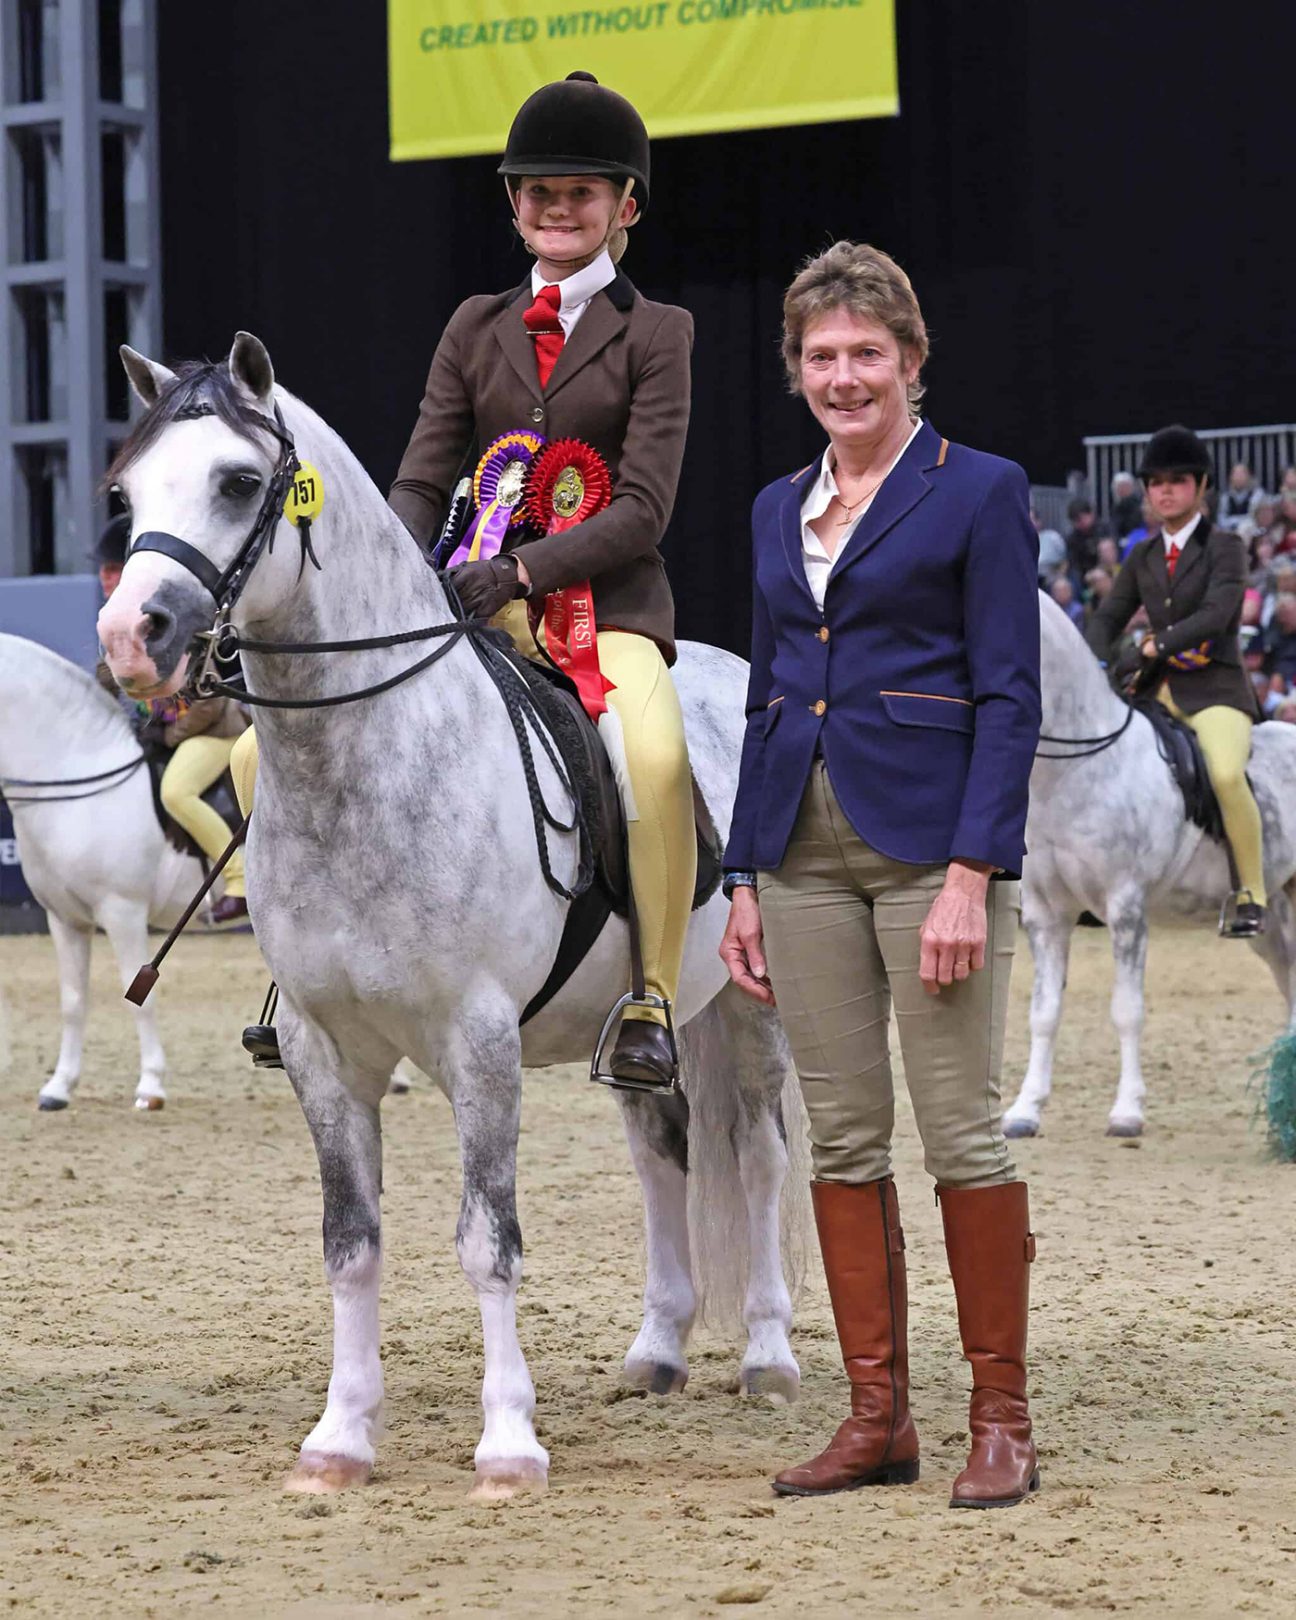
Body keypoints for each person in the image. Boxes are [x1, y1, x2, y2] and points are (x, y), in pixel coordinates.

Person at [238, 71, 696, 1088]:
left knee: (656, 758)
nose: (557, 209)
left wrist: (524, 567)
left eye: (580, 193)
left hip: (605, 609)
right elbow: (420, 476)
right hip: (462, 605)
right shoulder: (475, 324)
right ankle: (297, 972)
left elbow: (642, 507)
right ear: (514, 205)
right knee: (254, 753)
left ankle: (651, 998)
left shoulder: (659, 332)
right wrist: (390, 579)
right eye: (538, 193)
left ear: (625, 206)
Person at [719, 241, 1042, 1509]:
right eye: (821, 356)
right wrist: (744, 877)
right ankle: (877, 1419)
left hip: (931, 852)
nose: (843, 376)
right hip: (798, 853)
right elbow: (767, 697)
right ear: (796, 370)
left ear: (910, 360)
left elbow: (1007, 697)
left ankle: (1001, 1421)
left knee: (961, 1133)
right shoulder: (771, 508)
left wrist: (972, 874)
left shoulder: (982, 490)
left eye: (866, 353)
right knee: (843, 1134)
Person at [1087, 425, 1267, 936]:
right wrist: (1088, 659)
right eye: (1156, 483)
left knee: (1226, 775)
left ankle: (1251, 892)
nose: (1165, 491)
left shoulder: (1225, 546)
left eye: (1177, 481)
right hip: (1155, 689)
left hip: (1214, 688)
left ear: (1202, 485)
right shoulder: (1142, 555)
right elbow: (1109, 616)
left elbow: (1217, 614)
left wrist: (1152, 645)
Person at [95, 517, 249, 923]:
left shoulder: (174, 617)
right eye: (103, 570)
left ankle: (239, 880)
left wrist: (168, 735)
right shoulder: (117, 623)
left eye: (113, 569)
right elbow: (115, 682)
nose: (104, 578)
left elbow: (209, 702)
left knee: (176, 792)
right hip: (173, 732)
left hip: (216, 732)